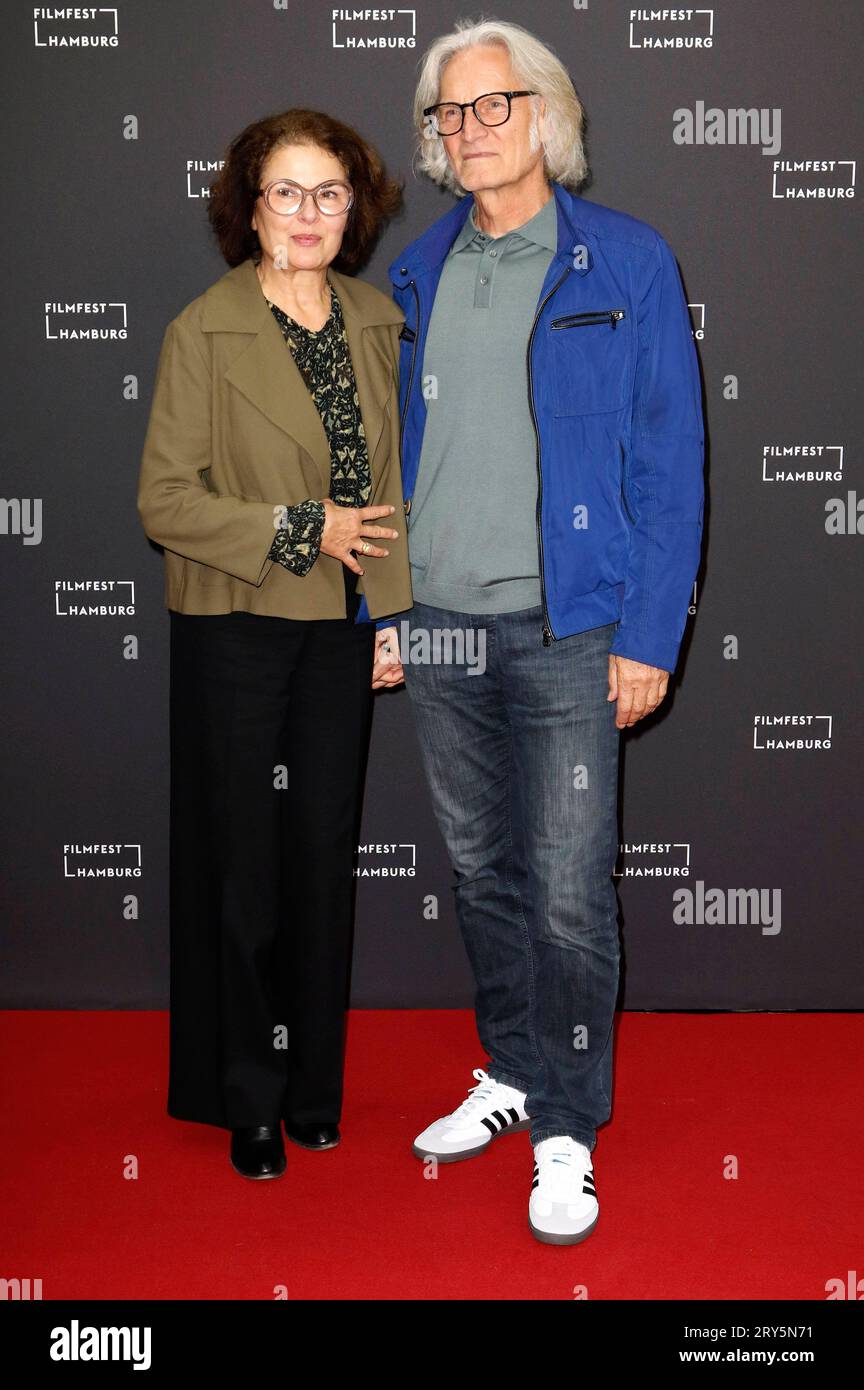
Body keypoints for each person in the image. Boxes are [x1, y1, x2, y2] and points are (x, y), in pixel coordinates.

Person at [379, 18, 705, 1243]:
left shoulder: (627, 262)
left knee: (571, 892)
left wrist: (651, 634)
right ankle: (512, 1070)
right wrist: (387, 606)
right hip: (445, 627)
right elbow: (397, 461)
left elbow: (672, 461)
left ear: (546, 116)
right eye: (449, 115)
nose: (469, 131)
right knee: (482, 874)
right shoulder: (416, 273)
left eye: (491, 106)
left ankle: (566, 1125)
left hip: (574, 629)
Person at [136, 108, 411, 1179]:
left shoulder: (376, 320)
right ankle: (247, 1091)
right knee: (244, 866)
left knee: (318, 861)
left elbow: (384, 489)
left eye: (329, 193)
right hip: (238, 626)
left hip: (340, 634)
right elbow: (165, 501)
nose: (308, 214)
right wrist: (304, 529)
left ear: (359, 208)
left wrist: (388, 614)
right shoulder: (201, 329)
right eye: (286, 193)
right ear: (249, 207)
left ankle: (312, 1086)